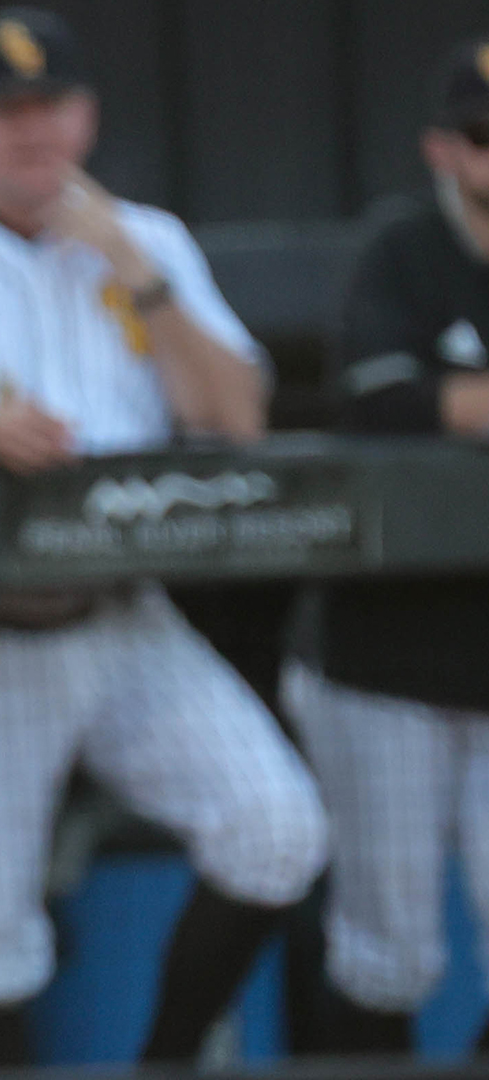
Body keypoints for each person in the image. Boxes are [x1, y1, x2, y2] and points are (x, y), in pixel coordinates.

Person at [0, 7, 328, 1066]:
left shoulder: (149, 245)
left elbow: (238, 417)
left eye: (48, 105)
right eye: (4, 111)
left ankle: (166, 1059)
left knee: (277, 830)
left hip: (124, 613)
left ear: (85, 116)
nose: (30, 130)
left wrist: (136, 272)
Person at [281, 38, 489, 1055]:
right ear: (442, 147)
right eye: (483, 139)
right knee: (390, 952)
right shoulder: (398, 247)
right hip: (385, 659)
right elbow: (377, 396)